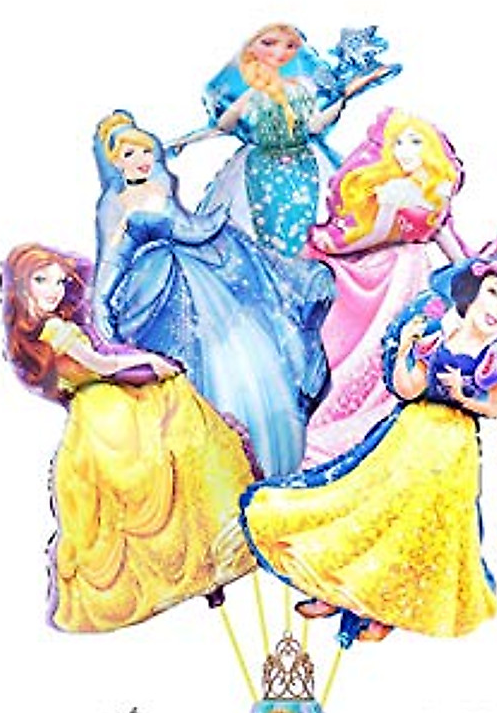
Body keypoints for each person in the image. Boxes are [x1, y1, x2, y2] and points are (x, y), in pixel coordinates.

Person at [241, 246, 497, 644]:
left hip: (452, 449)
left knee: (416, 528)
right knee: (367, 508)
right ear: (473, 292)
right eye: (494, 293)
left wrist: (461, 393)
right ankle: (334, 587)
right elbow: (407, 388)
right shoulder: (437, 334)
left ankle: (387, 609)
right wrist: (407, 350)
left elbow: (496, 407)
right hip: (409, 434)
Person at [2, 242, 255, 632]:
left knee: (154, 473)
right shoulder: (56, 330)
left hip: (94, 408)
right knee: (178, 428)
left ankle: (199, 559)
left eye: (59, 281)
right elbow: (103, 364)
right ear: (21, 285)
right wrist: (151, 364)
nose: (53, 290)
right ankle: (201, 555)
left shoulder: (40, 334)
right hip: (107, 410)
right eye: (41, 280)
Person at [91, 110, 333, 477]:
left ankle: (262, 453)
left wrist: (216, 222)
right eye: (129, 154)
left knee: (244, 338)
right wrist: (100, 302)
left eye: (145, 151)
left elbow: (187, 227)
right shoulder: (118, 204)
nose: (141, 160)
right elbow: (113, 257)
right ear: (115, 162)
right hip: (158, 285)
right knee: (186, 359)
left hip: (194, 269)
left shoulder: (159, 186)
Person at [302, 109, 471, 467]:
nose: (405, 151)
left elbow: (443, 237)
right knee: (365, 337)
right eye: (397, 143)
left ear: (431, 148)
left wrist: (473, 271)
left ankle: (391, 400)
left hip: (405, 274)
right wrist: (383, 215)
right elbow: (372, 236)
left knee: (405, 328)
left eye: (415, 142)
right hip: (381, 269)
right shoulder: (397, 190)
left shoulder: (433, 191)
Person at [171, 24, 394, 257]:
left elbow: (315, 125)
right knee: (258, 223)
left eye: (290, 46)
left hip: (305, 164)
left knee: (310, 218)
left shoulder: (301, 87)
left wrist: (351, 89)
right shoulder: (250, 95)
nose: (279, 52)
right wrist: (187, 140)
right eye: (269, 44)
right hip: (259, 167)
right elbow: (223, 126)